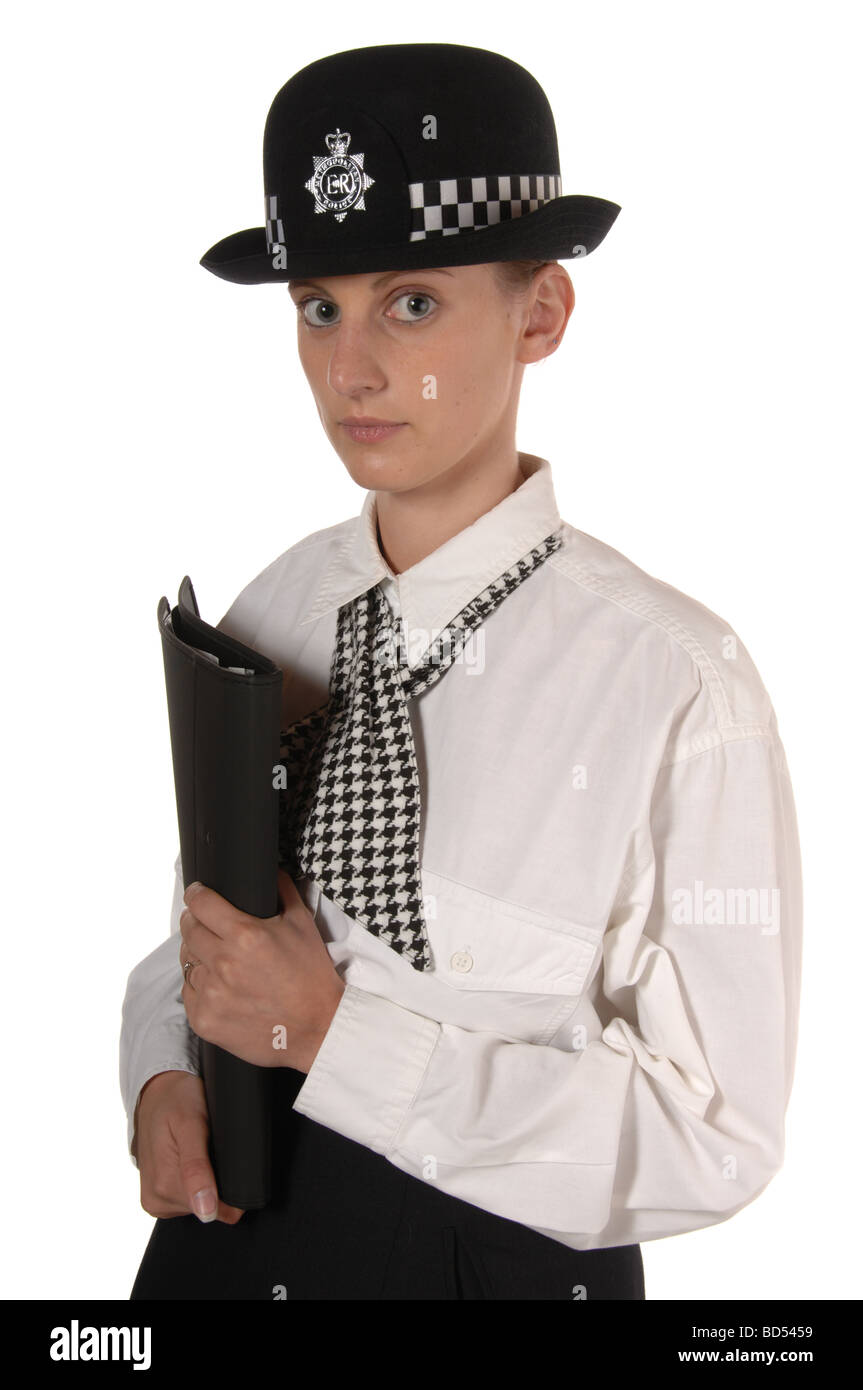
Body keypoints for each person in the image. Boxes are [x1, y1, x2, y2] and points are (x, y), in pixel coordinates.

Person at [120, 42, 802, 1301]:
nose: (352, 368)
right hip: (219, 1260)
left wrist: (337, 1037)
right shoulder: (278, 605)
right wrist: (163, 1069)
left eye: (412, 302)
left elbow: (717, 1133)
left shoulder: (673, 685)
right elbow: (204, 927)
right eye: (318, 307)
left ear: (538, 312)